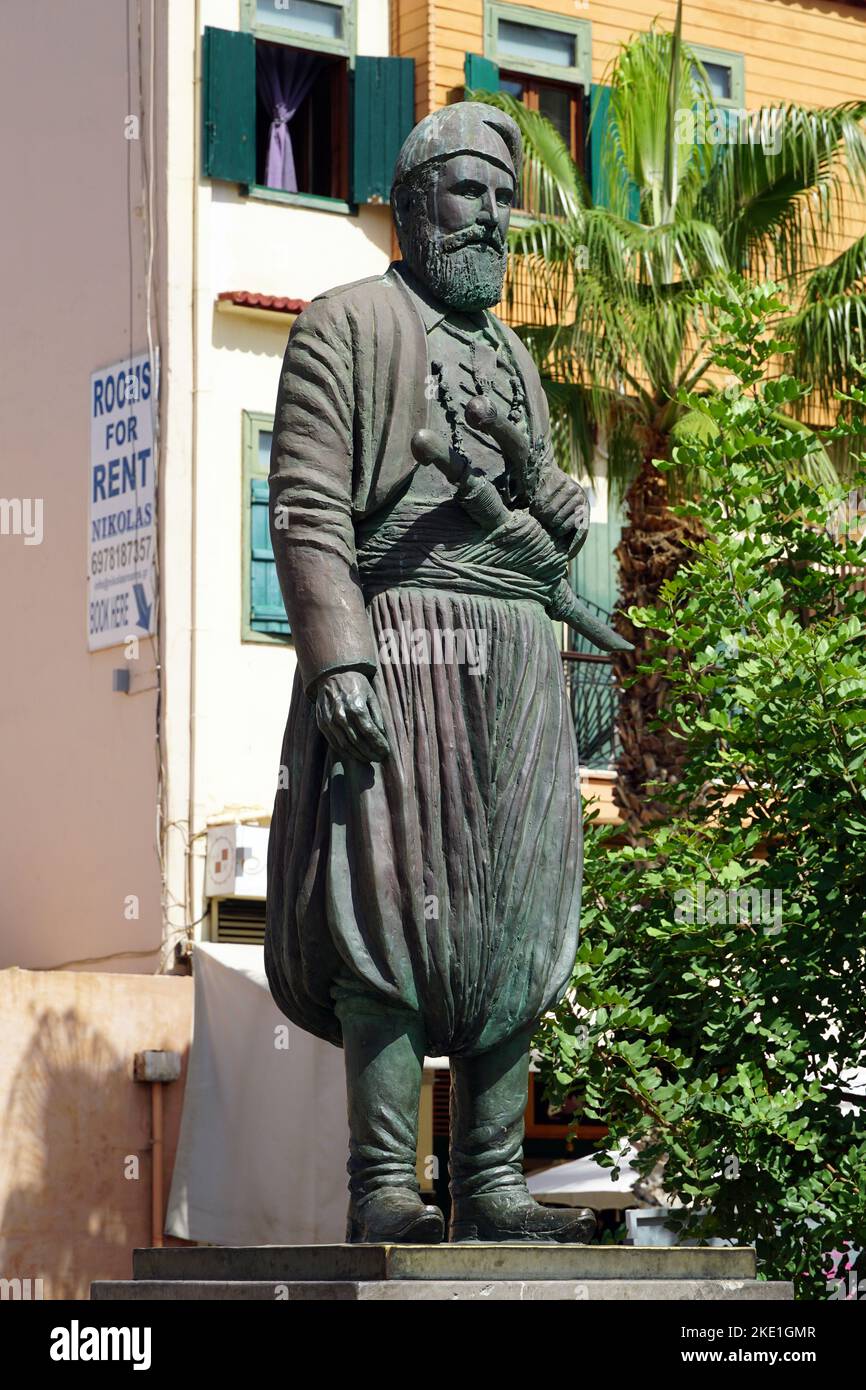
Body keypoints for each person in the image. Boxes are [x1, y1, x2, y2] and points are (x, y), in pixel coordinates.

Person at [265, 102, 597, 1244]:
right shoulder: (343, 326)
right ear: (412, 210)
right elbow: (306, 513)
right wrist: (338, 659)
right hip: (399, 648)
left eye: (505, 201)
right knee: (388, 907)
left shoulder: (517, 359)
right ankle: (382, 1187)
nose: (494, 218)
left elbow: (547, 535)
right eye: (471, 195)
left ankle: (495, 1181)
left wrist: (561, 515)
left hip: (516, 657)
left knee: (519, 910)